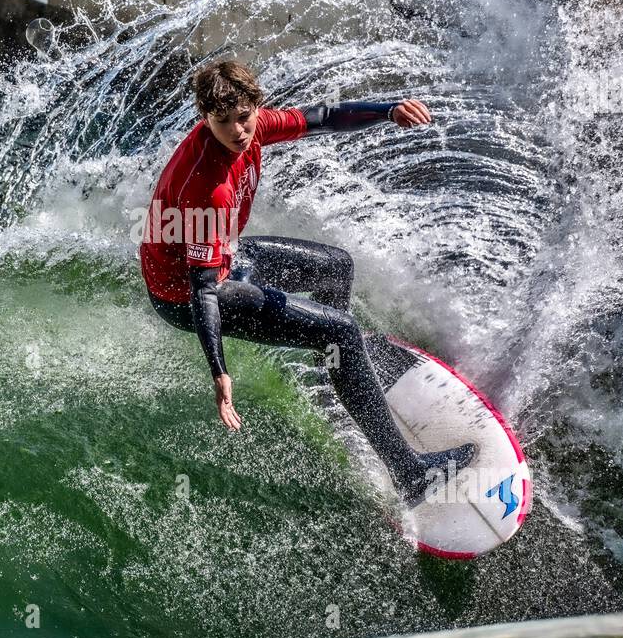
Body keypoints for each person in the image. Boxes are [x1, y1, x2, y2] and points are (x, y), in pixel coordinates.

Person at [139, 59, 475, 503]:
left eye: (244, 117)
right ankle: (411, 475)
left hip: (223, 258)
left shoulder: (251, 127)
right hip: (186, 293)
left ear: (255, 107)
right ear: (206, 118)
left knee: (336, 267)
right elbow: (204, 291)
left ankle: (335, 370)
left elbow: (324, 117)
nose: (238, 131)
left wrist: (389, 110)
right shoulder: (209, 186)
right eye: (224, 123)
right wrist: (219, 373)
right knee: (341, 330)